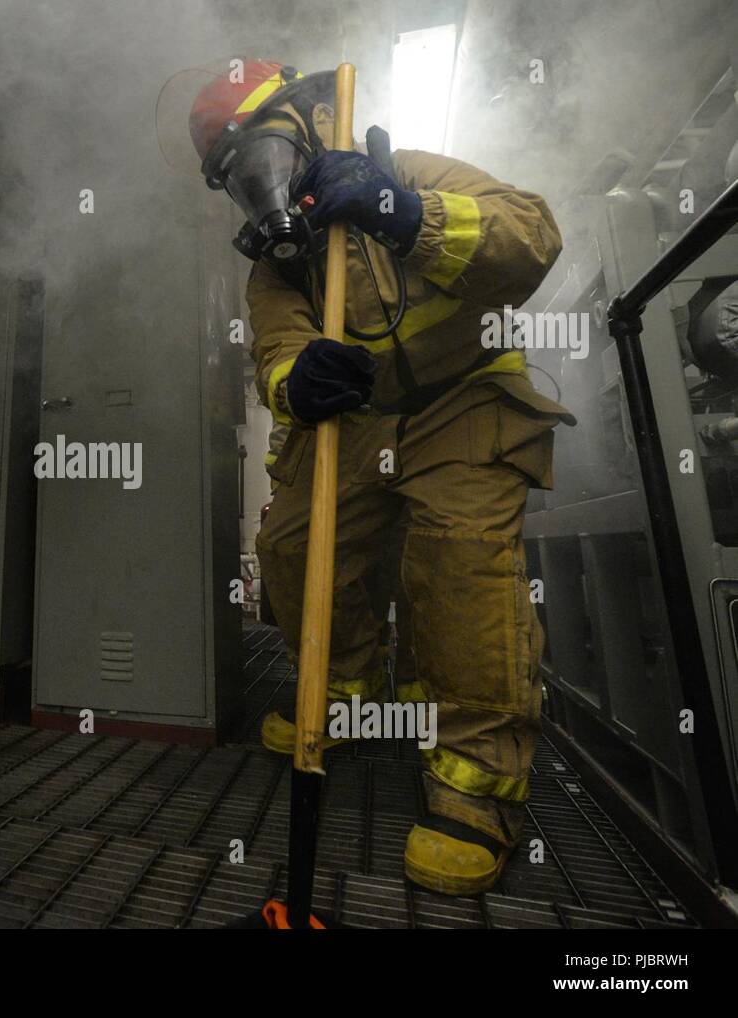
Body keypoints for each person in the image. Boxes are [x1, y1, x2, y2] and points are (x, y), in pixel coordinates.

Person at [175, 62, 574, 895]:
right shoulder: (276, 267)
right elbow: (275, 355)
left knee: (459, 562)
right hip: (362, 425)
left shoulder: (410, 172)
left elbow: (531, 238)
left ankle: (475, 784)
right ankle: (352, 688)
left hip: (462, 401)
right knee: (287, 546)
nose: (260, 184)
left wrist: (404, 212)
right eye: (237, 175)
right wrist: (298, 381)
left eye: (266, 154)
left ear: (315, 122)